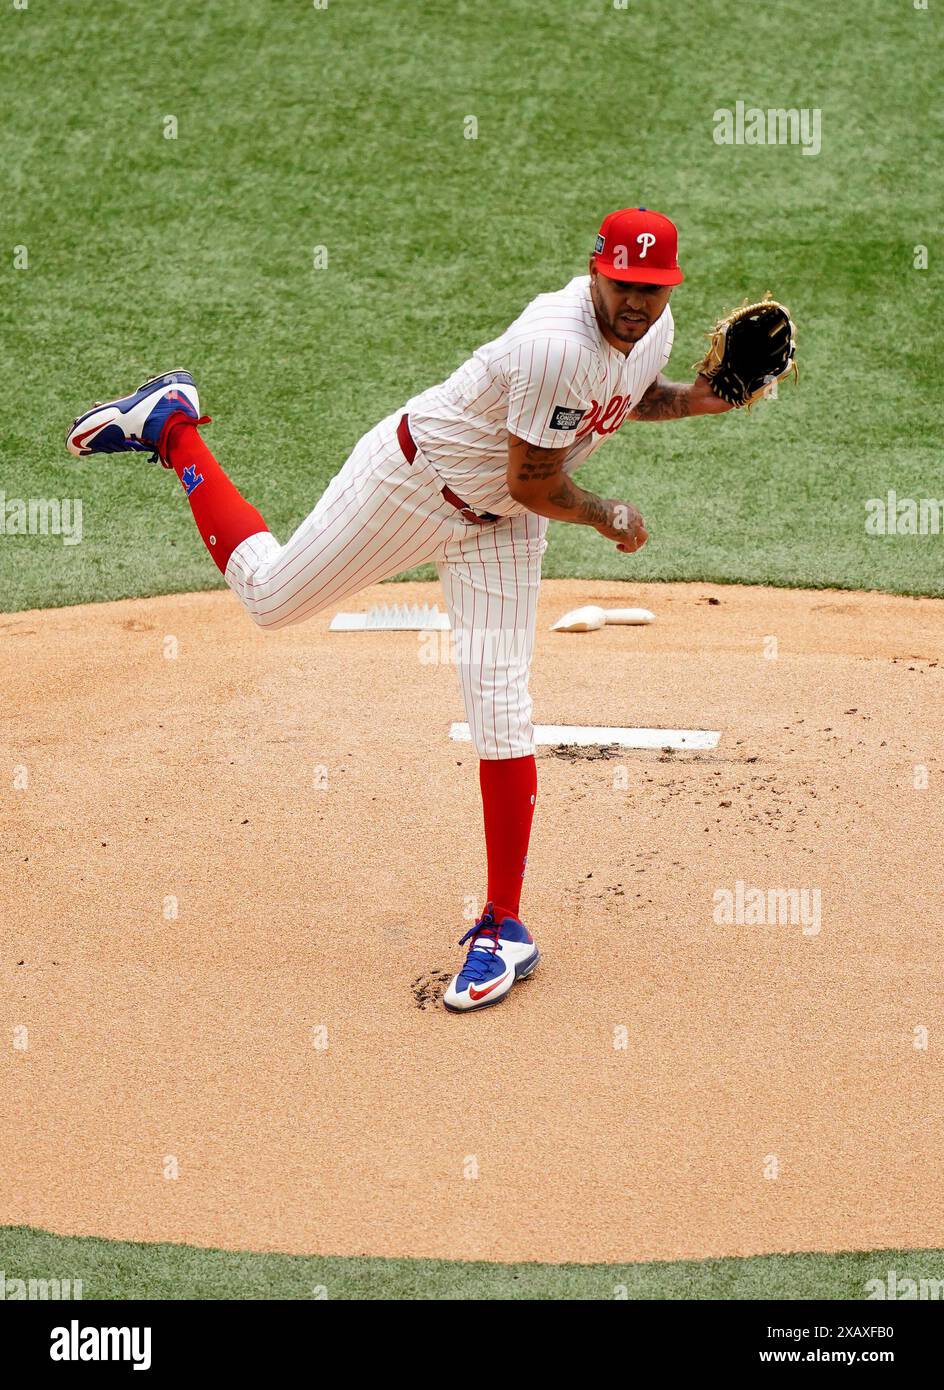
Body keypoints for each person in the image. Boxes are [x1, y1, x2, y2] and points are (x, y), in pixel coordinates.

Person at [66, 207, 731, 1013]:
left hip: (503, 526)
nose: (638, 303)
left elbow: (625, 401)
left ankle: (503, 927)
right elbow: (537, 480)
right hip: (413, 485)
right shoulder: (555, 345)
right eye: (626, 284)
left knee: (502, 708)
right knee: (270, 598)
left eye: (654, 290)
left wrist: (701, 399)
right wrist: (605, 514)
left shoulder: (649, 333)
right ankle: (172, 426)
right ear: (596, 271)